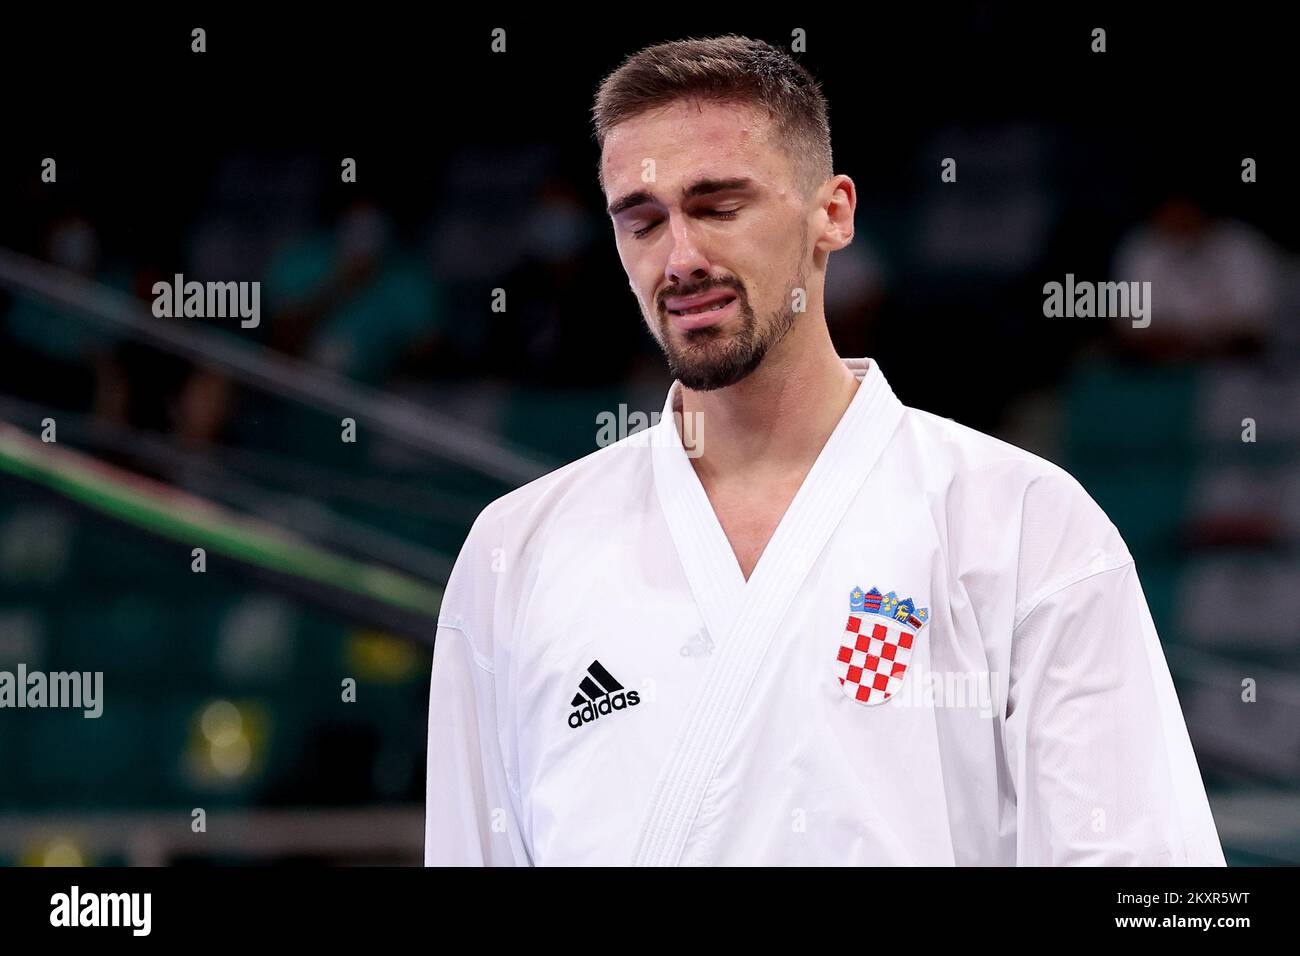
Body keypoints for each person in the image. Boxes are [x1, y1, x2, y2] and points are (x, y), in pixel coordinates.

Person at [424, 35, 1225, 866]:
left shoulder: (1021, 523)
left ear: (832, 213)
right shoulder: (514, 551)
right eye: (643, 221)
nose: (682, 259)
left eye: (719, 206)